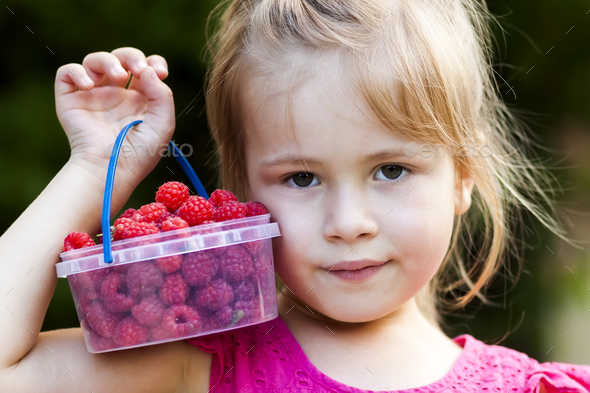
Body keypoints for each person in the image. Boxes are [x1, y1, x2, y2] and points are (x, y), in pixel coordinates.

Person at [1, 0, 589, 391]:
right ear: (241, 196)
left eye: (391, 169)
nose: (349, 223)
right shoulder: (205, 361)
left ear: (462, 175)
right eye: (302, 179)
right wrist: (95, 166)